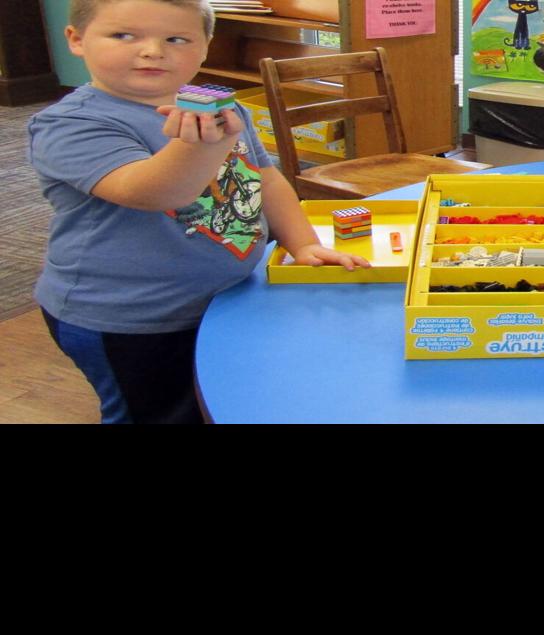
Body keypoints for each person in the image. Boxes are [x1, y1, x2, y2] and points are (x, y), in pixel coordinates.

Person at [31, 0, 368, 424]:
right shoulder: (72, 124)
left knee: (219, 398)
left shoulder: (223, 108)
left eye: (176, 39)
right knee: (159, 414)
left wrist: (302, 243)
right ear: (77, 40)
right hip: (130, 318)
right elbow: (152, 192)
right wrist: (200, 147)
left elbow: (264, 177)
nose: (153, 51)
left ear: (206, 47)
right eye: (124, 35)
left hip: (225, 298)